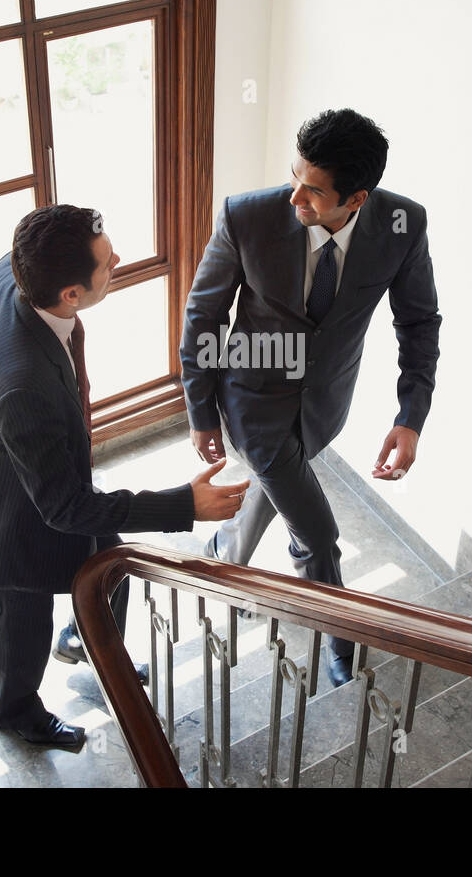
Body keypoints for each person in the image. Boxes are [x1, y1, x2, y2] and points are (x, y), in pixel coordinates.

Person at [0, 204, 248, 752]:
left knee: (110, 573)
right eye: (106, 262)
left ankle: (87, 640)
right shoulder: (22, 386)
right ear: (70, 293)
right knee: (21, 637)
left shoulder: (14, 268)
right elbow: (63, 509)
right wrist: (185, 504)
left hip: (54, 482)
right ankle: (10, 709)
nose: (118, 258)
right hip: (9, 524)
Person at [179, 108, 441, 688]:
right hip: (253, 401)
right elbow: (203, 314)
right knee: (317, 535)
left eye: (314, 191)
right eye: (293, 175)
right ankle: (340, 638)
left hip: (324, 407)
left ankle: (220, 558)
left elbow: (419, 322)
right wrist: (200, 410)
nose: (294, 197)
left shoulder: (403, 224)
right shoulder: (246, 216)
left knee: (270, 497)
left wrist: (410, 417)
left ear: (358, 199)